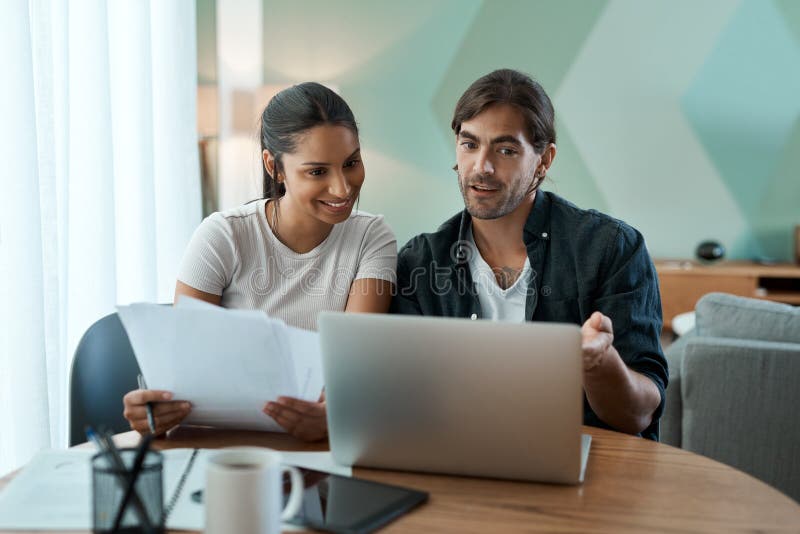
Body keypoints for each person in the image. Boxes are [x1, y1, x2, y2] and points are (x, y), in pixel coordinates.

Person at [391, 69, 667, 440]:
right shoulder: (420, 261)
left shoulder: (611, 248)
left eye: (506, 150)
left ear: (543, 160)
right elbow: (405, 400)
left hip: (589, 474)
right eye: (469, 144)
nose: (481, 167)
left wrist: (599, 364)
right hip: (460, 462)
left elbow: (639, 415)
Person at [123, 82, 397, 441]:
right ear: (274, 166)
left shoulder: (372, 238)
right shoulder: (223, 236)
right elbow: (184, 375)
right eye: (318, 172)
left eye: (351, 163)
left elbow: (353, 370)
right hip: (226, 452)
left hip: (323, 454)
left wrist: (333, 417)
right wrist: (157, 409)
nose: (343, 188)